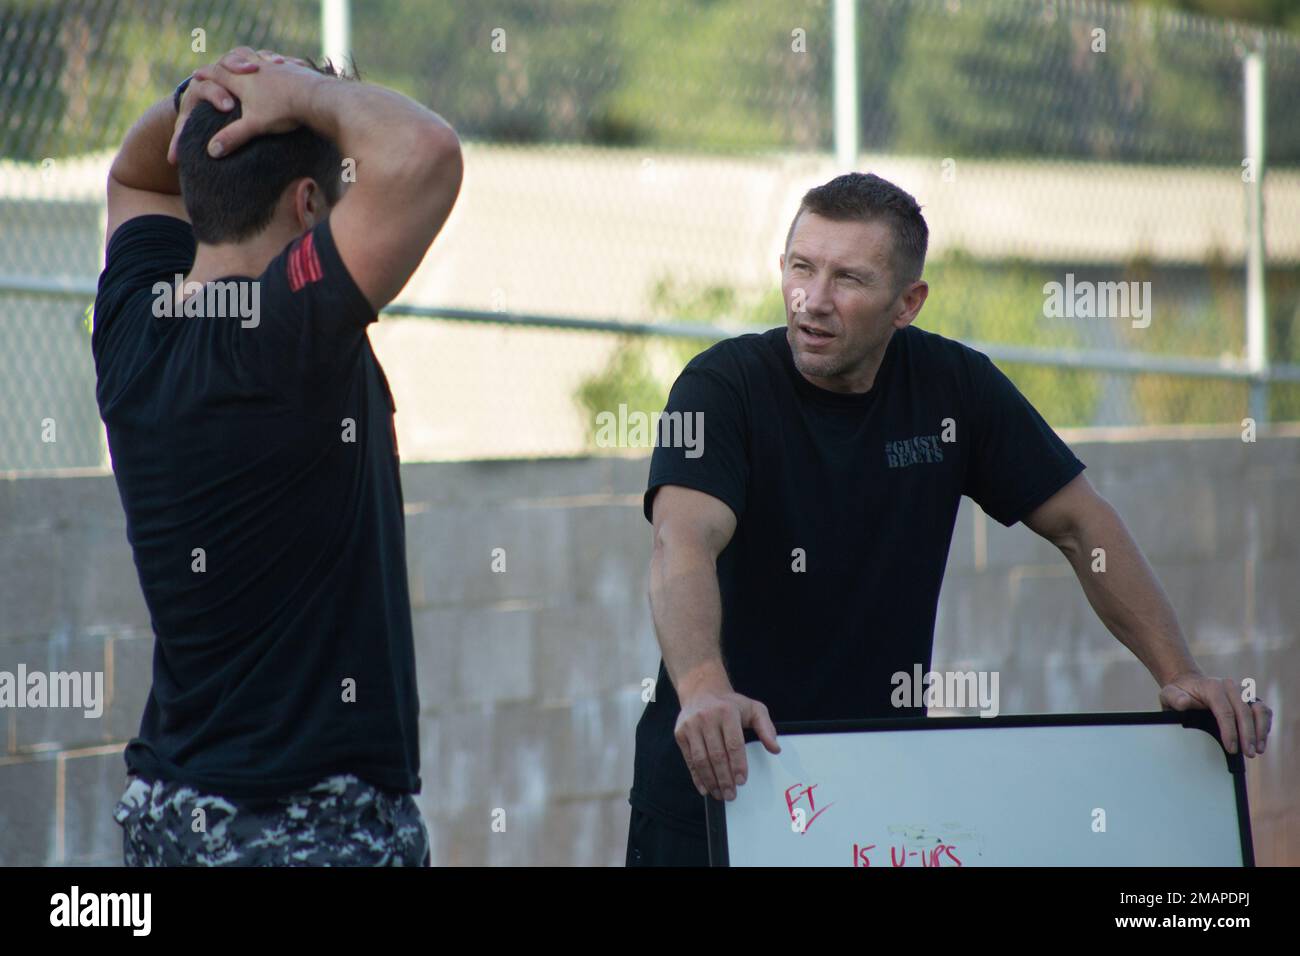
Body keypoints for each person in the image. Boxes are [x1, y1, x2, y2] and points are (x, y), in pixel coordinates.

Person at [625, 172, 1274, 866]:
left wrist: (1177, 671)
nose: (812, 301)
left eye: (848, 279)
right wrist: (703, 691)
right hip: (717, 783)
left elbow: (1082, 524)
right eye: (800, 268)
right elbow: (682, 539)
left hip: (875, 793)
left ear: (908, 303)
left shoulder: (954, 388)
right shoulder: (720, 387)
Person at [93, 46, 462, 865]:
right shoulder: (285, 336)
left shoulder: (133, 331)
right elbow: (426, 153)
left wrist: (199, 97)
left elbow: (138, 178)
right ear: (306, 206)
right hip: (309, 829)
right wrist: (294, 90)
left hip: (171, 818)